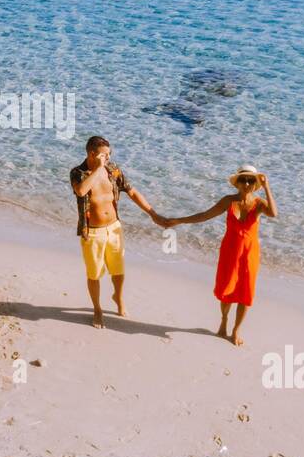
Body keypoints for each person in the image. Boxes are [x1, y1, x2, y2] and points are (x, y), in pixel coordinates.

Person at [162, 164, 277, 345]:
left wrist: (267, 185)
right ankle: (223, 320)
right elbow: (204, 215)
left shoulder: (259, 204)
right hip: (230, 251)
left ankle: (235, 331)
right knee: (226, 291)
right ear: (237, 182)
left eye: (250, 180)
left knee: (246, 293)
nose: (246, 183)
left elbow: (274, 213)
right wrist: (178, 221)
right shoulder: (228, 201)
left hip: (250, 254)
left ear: (255, 183)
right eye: (243, 180)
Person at [69, 136, 164, 329]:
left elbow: (132, 192)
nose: (108, 158)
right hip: (92, 232)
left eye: (109, 154)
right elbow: (81, 191)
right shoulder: (78, 173)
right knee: (94, 274)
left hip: (114, 228)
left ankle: (118, 299)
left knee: (119, 271)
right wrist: (97, 168)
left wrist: (152, 213)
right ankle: (97, 309)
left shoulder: (113, 170)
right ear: (91, 154)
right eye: (104, 155)